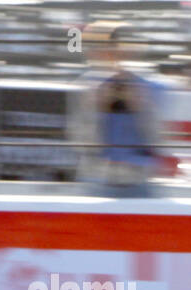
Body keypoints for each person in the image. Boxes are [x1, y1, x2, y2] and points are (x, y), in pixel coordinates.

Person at [69, 21, 170, 197]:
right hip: (98, 180)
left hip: (139, 180)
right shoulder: (86, 88)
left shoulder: (151, 87)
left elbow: (162, 142)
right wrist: (94, 109)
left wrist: (142, 108)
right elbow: (79, 143)